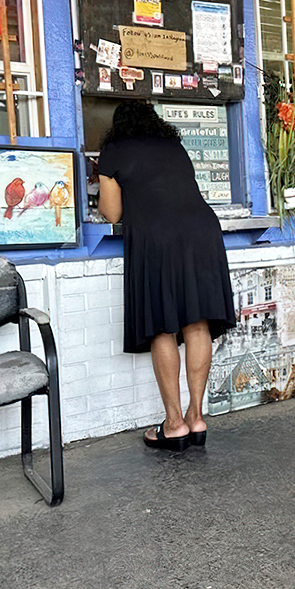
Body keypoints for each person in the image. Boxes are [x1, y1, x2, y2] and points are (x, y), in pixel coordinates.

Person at [96, 100, 236, 451]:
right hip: (202, 232)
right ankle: (196, 417)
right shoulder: (173, 145)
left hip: (157, 238)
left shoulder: (114, 149)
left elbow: (112, 213)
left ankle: (173, 424)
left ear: (118, 125)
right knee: (197, 322)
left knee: (163, 325)